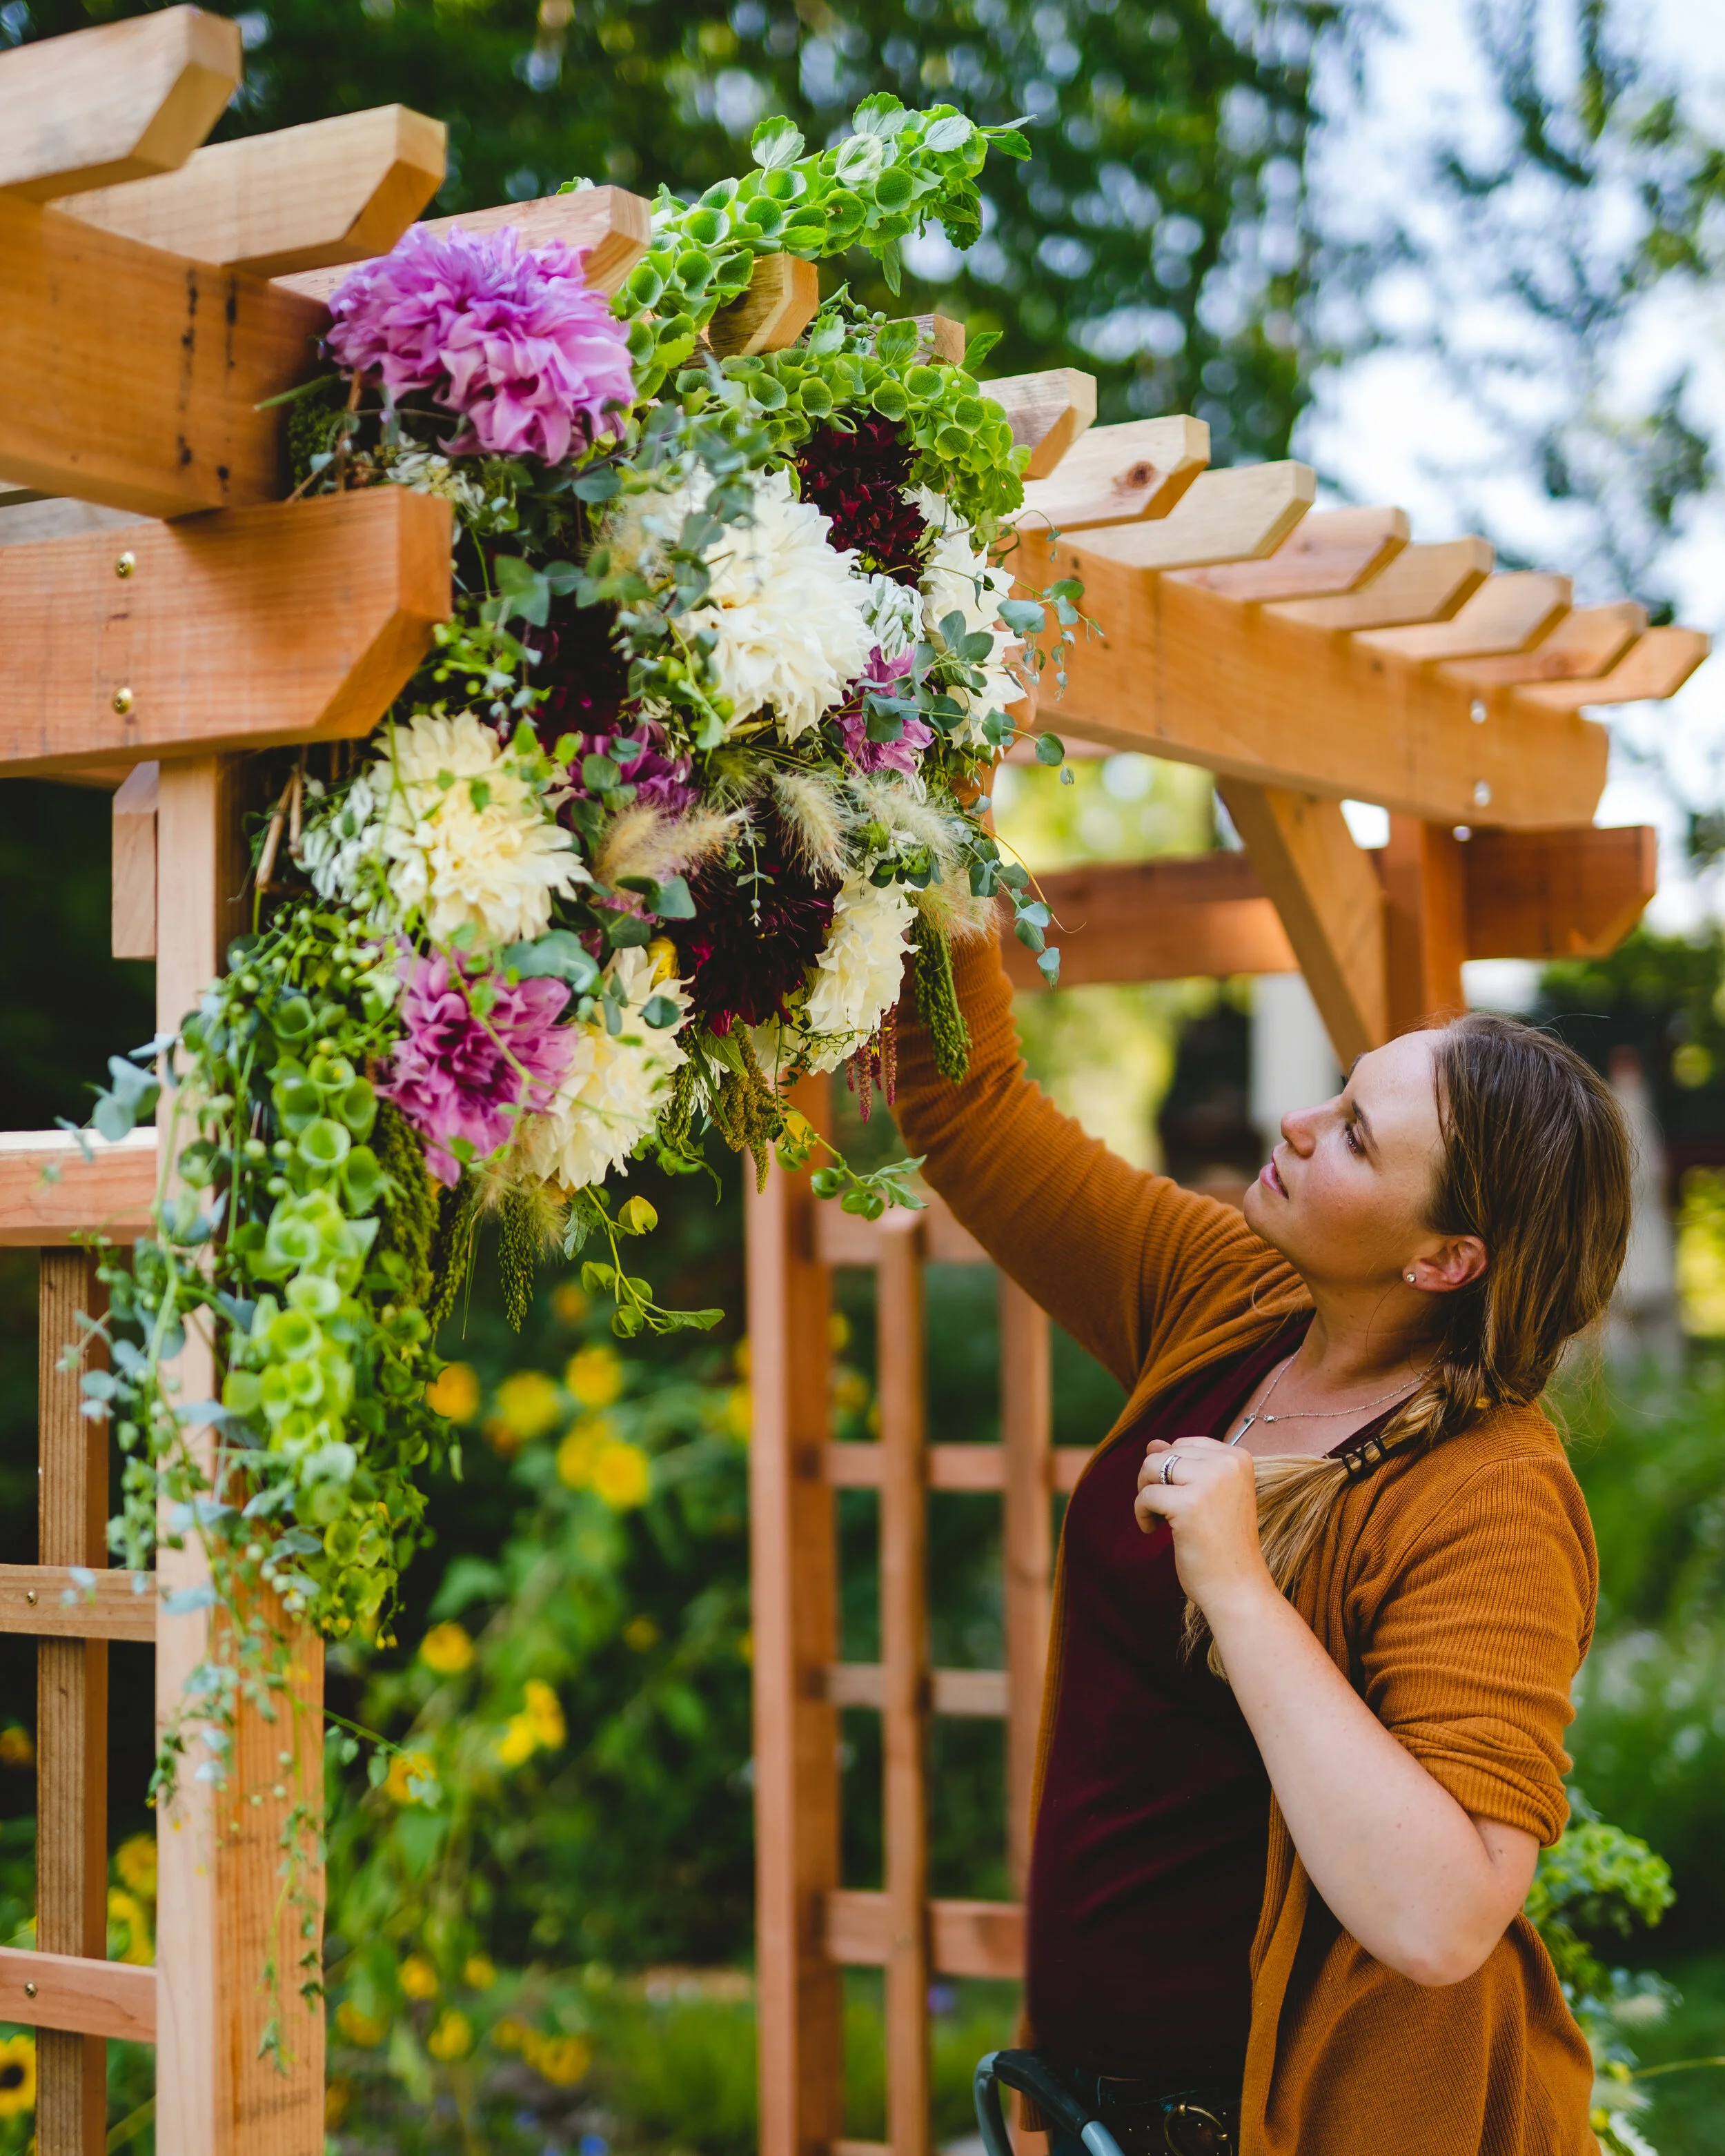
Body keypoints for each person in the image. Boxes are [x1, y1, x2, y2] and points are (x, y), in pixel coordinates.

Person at [895, 925, 1631, 2156]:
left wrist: (1241, 1591)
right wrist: (926, 796)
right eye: (1339, 1091)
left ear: (1446, 1258)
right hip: (1098, 2110)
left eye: (1353, 1134)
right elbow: (965, 1108)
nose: (1296, 1120)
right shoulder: (1231, 1300)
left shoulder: (1491, 1494)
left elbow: (1445, 1917)